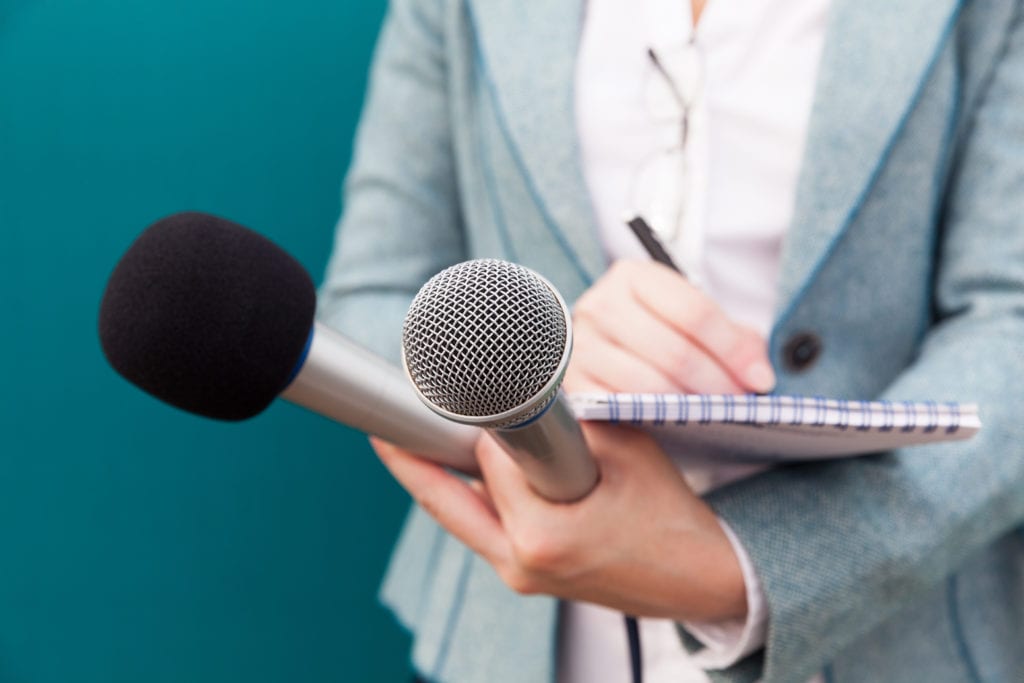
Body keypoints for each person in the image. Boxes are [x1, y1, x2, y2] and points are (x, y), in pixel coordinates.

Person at [317, 0, 1024, 681]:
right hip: (505, 642)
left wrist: (746, 567)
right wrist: (533, 364)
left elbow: (1009, 319)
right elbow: (372, 294)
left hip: (896, 635)